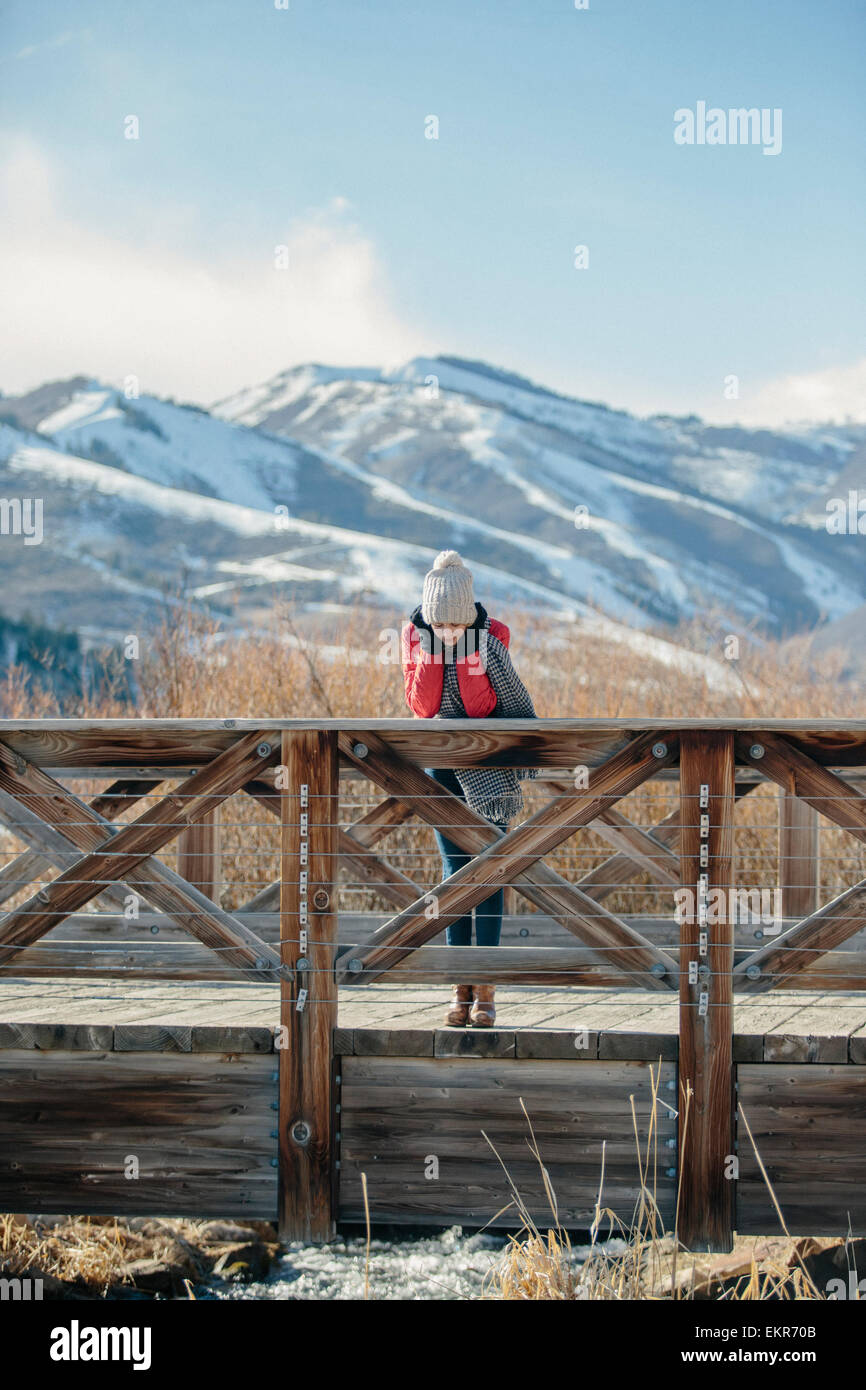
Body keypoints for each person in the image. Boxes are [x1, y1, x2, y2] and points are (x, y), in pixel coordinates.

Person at [401, 550, 537, 1027]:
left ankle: (487, 988)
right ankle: (459, 987)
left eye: (456, 628)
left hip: (488, 767)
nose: (449, 634)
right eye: (442, 627)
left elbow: (484, 709)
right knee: (455, 874)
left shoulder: (492, 638)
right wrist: (436, 655)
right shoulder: (415, 637)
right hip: (442, 767)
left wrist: (468, 655)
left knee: (491, 871)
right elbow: (422, 705)